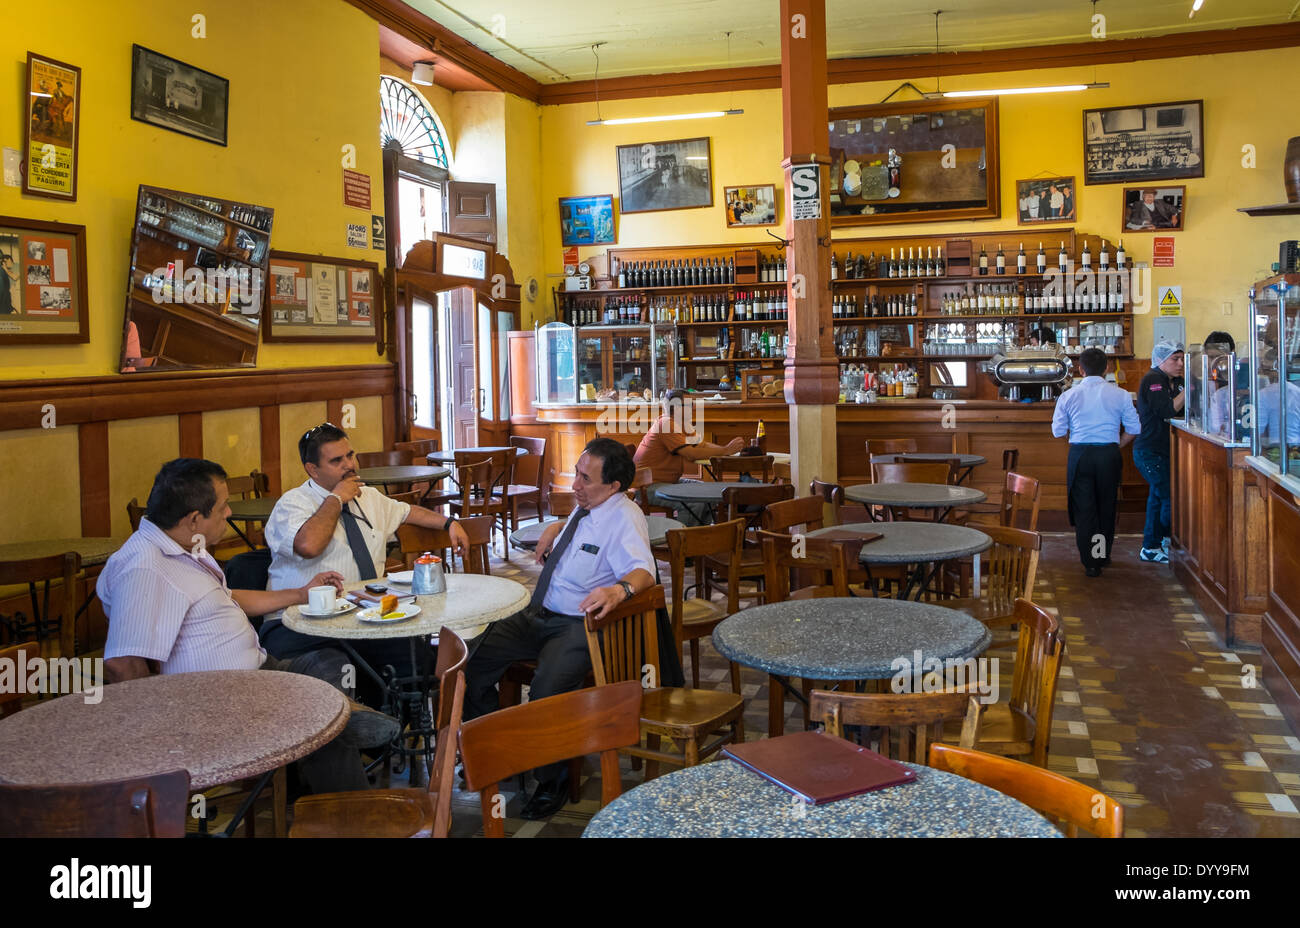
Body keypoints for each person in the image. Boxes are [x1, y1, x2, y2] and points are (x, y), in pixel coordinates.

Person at [99, 458, 400, 794]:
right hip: (222, 700)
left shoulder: (184, 547)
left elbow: (228, 597)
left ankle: (335, 728)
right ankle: (346, 770)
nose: (229, 513)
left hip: (258, 674)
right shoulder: (145, 568)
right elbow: (121, 664)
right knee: (319, 717)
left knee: (327, 662)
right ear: (194, 519)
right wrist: (156, 747)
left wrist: (300, 593)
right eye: (223, 506)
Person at [464, 438, 656, 820]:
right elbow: (583, 528)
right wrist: (556, 526)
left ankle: (551, 782)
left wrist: (619, 590)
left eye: (585, 479)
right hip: (538, 613)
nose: (575, 485)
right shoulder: (589, 507)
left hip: (577, 625)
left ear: (614, 487)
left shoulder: (624, 517)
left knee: (546, 691)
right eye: (577, 474)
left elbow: (645, 570)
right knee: (472, 657)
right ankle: (494, 750)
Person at [260, 423, 469, 708]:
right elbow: (309, 546)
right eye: (337, 461)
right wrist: (335, 499)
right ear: (312, 469)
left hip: (364, 617)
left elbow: (407, 512)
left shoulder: (367, 496)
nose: (349, 465)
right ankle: (358, 739)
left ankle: (396, 738)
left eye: (350, 455)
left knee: (417, 659)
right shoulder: (293, 504)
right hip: (301, 623)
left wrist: (449, 523)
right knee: (343, 668)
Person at [1051, 348, 1141, 576]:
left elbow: (1058, 431)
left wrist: (1072, 439)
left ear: (1079, 369)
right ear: (1107, 368)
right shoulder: (1120, 394)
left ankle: (1090, 563)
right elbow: (1134, 429)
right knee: (1106, 506)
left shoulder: (1068, 395)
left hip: (1080, 453)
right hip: (1108, 454)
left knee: (1085, 509)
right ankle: (1102, 555)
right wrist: (1117, 444)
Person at [634, 389, 744, 524]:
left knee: (708, 493)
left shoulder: (680, 424)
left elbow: (701, 445)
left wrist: (726, 449)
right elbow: (691, 454)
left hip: (668, 482)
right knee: (694, 503)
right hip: (647, 487)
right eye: (690, 404)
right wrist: (725, 450)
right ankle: (681, 542)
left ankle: (703, 538)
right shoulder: (667, 424)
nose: (693, 407)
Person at [1134, 341, 1185, 563]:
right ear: (1160, 360)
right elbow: (1166, 410)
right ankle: (1166, 540)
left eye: (1182, 359)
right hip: (1149, 451)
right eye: (1175, 359)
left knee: (1157, 497)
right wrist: (1189, 389)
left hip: (1163, 449)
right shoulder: (1153, 380)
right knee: (1168, 497)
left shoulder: (1175, 381)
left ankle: (1151, 546)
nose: (1181, 364)